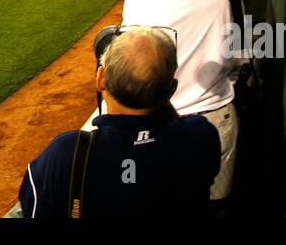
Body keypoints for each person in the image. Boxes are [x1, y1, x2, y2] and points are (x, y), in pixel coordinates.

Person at [15, 27, 221, 218]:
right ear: (170, 91)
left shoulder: (67, 154)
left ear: (100, 79)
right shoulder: (202, 135)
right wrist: (156, 91)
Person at [121, 0, 237, 200]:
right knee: (212, 206)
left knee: (153, 204)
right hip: (213, 118)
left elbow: (127, 64)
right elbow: (229, 59)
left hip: (152, 125)